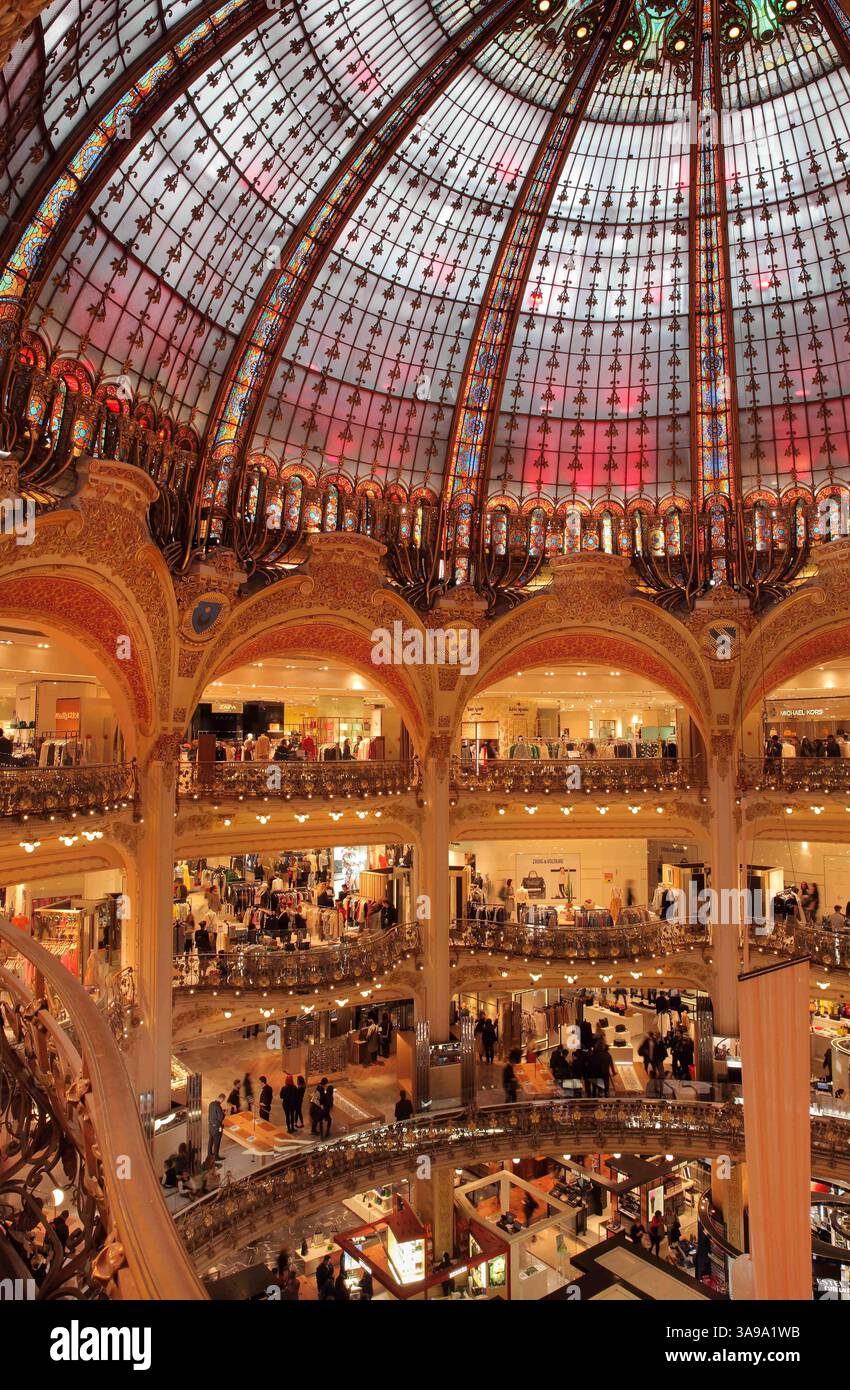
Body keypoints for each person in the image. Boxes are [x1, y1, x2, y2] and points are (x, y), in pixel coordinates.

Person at [207, 1093, 225, 1161]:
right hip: (217, 1127)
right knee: (217, 1142)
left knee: (210, 1140)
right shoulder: (218, 1106)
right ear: (221, 1099)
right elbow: (221, 1118)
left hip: (211, 1126)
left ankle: (209, 1154)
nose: (222, 1102)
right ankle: (216, 1157)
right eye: (223, 1100)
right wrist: (223, 1113)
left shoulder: (211, 1104)